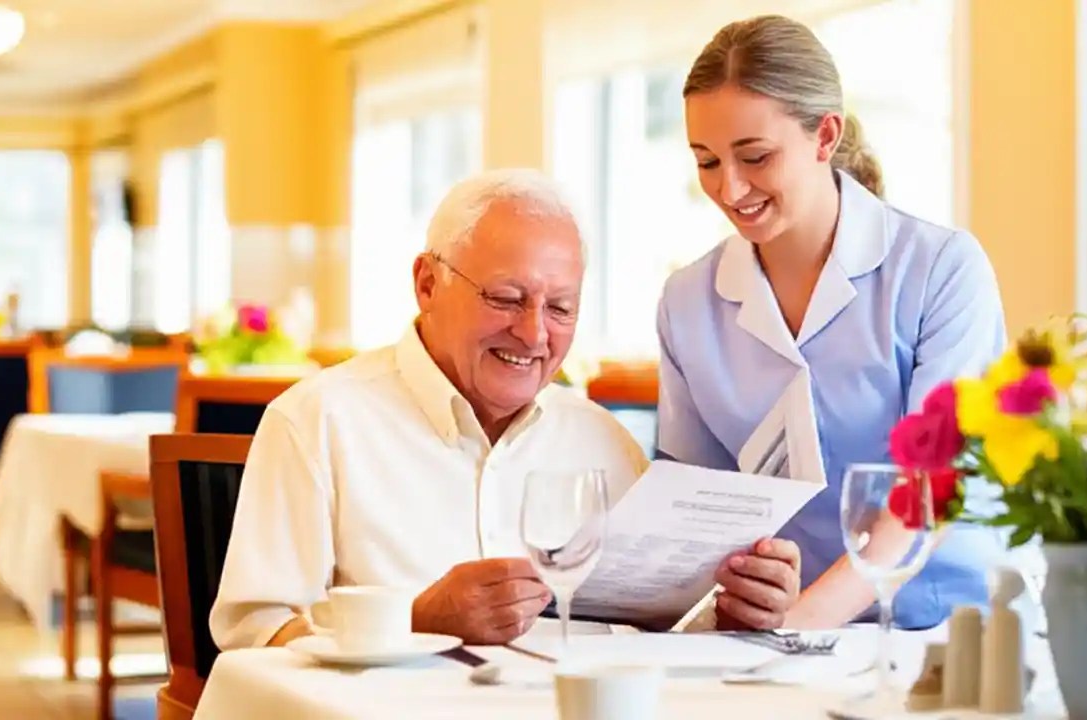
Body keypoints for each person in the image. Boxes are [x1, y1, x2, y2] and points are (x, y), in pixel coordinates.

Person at [210, 169, 799, 650]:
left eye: (561, 308)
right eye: (506, 298)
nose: (533, 333)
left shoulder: (603, 443)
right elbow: (252, 638)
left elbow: (655, 631)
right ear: (427, 284)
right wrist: (415, 621)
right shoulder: (317, 422)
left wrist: (735, 613)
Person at [658, 15, 1007, 631]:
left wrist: (801, 622)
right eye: (707, 161)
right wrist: (748, 595)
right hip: (781, 634)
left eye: (755, 156)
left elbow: (931, 485)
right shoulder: (688, 302)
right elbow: (701, 506)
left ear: (825, 135)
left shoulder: (940, 271)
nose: (730, 188)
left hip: (950, 628)